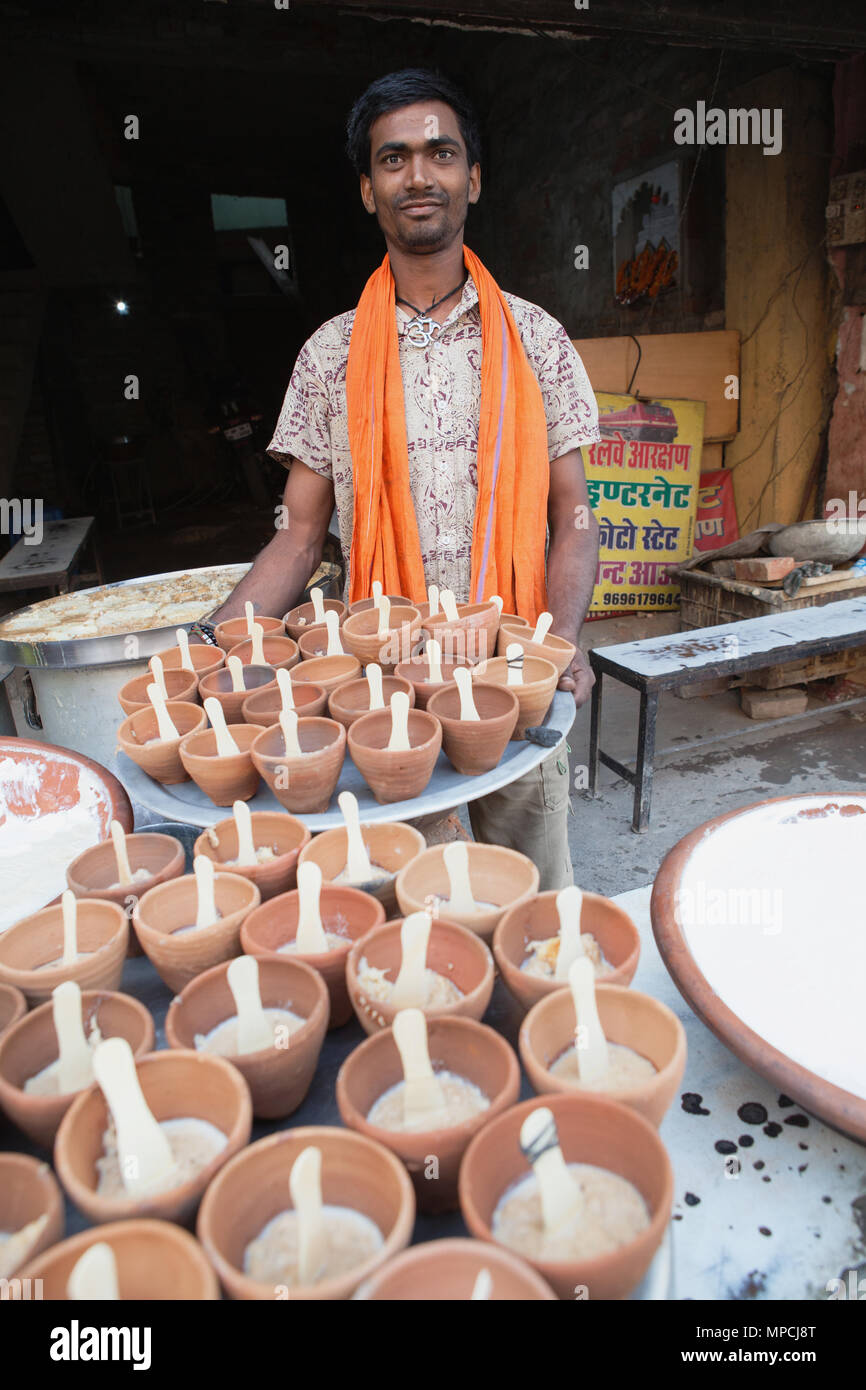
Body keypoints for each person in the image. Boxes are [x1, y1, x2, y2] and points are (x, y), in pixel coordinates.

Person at [212, 68, 600, 889]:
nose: (419, 175)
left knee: (532, 896)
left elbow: (574, 519)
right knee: (406, 903)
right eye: (394, 159)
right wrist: (215, 647)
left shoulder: (536, 339)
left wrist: (560, 645)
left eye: (440, 153)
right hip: (381, 684)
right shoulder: (330, 354)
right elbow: (301, 534)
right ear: (367, 189)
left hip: (513, 668)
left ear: (474, 177)